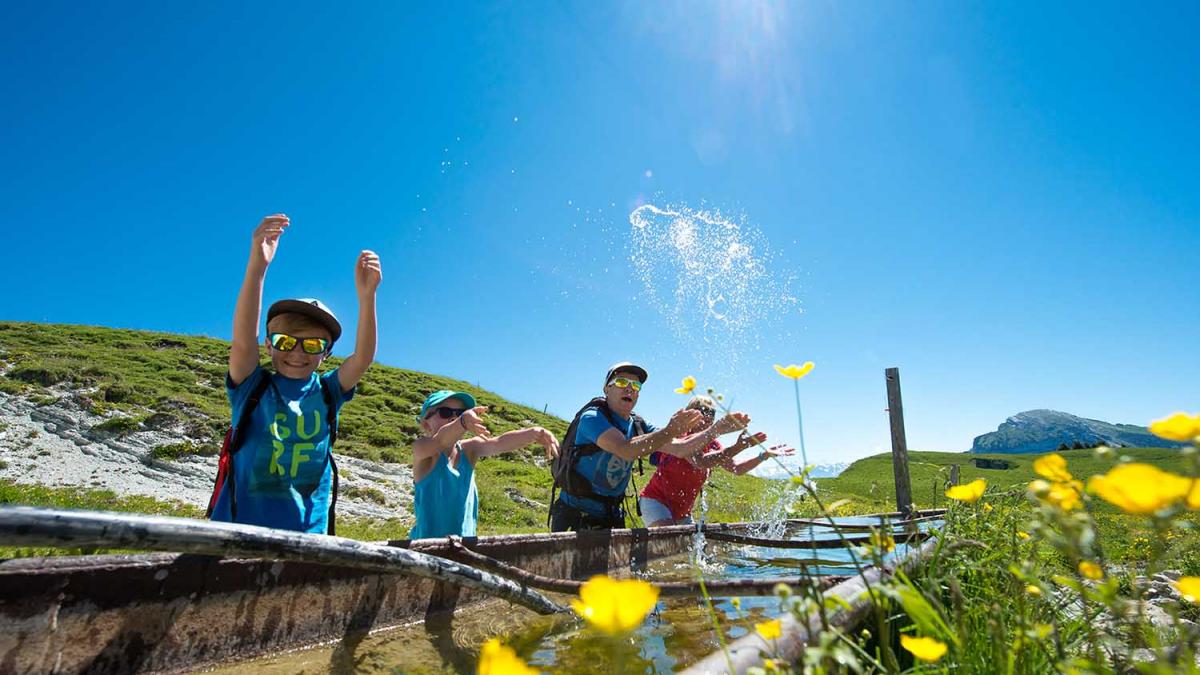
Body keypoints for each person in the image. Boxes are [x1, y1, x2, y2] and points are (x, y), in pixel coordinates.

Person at [208, 213, 382, 534]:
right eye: (285, 341)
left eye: (313, 344)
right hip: (236, 531)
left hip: (306, 536)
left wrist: (367, 297)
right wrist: (258, 267)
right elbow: (242, 340)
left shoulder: (329, 391)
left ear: (327, 352)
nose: (298, 352)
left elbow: (363, 358)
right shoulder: (252, 386)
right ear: (268, 345)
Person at [548, 362, 750, 532]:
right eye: (621, 382)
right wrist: (669, 431)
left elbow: (680, 449)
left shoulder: (639, 425)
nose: (629, 388)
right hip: (574, 510)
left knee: (611, 577)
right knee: (565, 575)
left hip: (611, 512)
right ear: (606, 388)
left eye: (635, 386)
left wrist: (716, 430)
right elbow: (624, 449)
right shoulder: (592, 418)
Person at [409, 390, 559, 539]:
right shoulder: (423, 449)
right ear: (425, 424)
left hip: (465, 544)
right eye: (445, 412)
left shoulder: (469, 449)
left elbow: (499, 442)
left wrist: (535, 432)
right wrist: (462, 422)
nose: (454, 417)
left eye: (460, 413)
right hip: (426, 548)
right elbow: (440, 441)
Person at [639, 395, 794, 527]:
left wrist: (763, 456)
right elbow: (700, 462)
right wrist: (738, 447)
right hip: (656, 501)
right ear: (689, 414)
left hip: (682, 512)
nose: (707, 416)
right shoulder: (680, 438)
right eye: (702, 411)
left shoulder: (713, 445)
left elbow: (737, 468)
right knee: (668, 541)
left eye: (711, 412)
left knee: (688, 552)